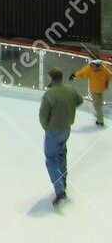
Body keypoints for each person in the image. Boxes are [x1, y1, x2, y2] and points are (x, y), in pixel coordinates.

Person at [41, 68, 83, 206]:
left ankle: (60, 190)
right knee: (61, 154)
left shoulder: (49, 94)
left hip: (53, 130)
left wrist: (47, 126)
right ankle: (63, 180)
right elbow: (79, 100)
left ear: (51, 78)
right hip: (66, 129)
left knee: (51, 159)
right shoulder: (70, 90)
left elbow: (43, 116)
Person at [72, 59, 112, 127]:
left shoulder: (89, 68)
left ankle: (100, 121)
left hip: (94, 89)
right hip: (101, 88)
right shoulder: (103, 67)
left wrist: (74, 75)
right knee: (99, 101)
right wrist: (106, 81)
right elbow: (110, 75)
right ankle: (98, 113)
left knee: (97, 105)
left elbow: (81, 73)